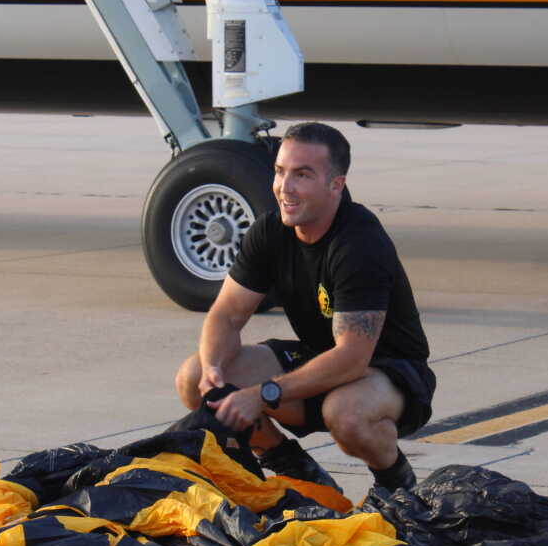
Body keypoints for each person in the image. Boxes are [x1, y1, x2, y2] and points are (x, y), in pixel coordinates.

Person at [174, 122, 436, 493]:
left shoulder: (359, 243)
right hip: (319, 355)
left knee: (345, 415)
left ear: (335, 185)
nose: (285, 187)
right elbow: (227, 314)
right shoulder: (271, 231)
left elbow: (351, 358)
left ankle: (395, 482)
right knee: (195, 378)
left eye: (302, 175)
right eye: (280, 172)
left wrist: (263, 393)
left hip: (389, 371)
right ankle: (289, 463)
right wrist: (214, 367)